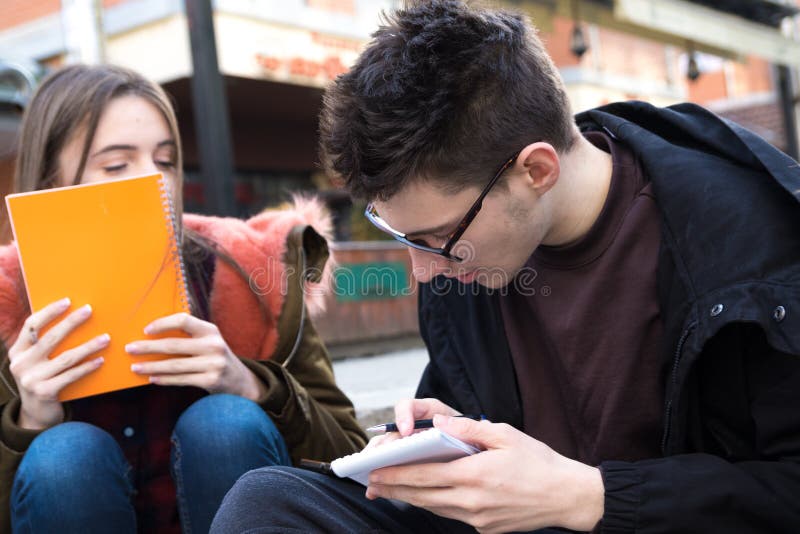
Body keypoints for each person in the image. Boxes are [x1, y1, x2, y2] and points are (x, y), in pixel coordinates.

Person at [211, 1, 800, 533]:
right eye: (403, 237)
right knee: (267, 502)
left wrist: (591, 496)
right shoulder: (463, 261)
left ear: (536, 171)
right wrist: (450, 434)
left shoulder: (749, 244)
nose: (423, 270)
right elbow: (475, 417)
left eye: (438, 236)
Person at [0, 64, 366, 534]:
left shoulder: (250, 270)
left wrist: (252, 387)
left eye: (167, 160)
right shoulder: (9, 299)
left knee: (225, 423)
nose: (155, 180)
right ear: (52, 181)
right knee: (64, 456)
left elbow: (351, 460)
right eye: (116, 165)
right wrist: (28, 421)